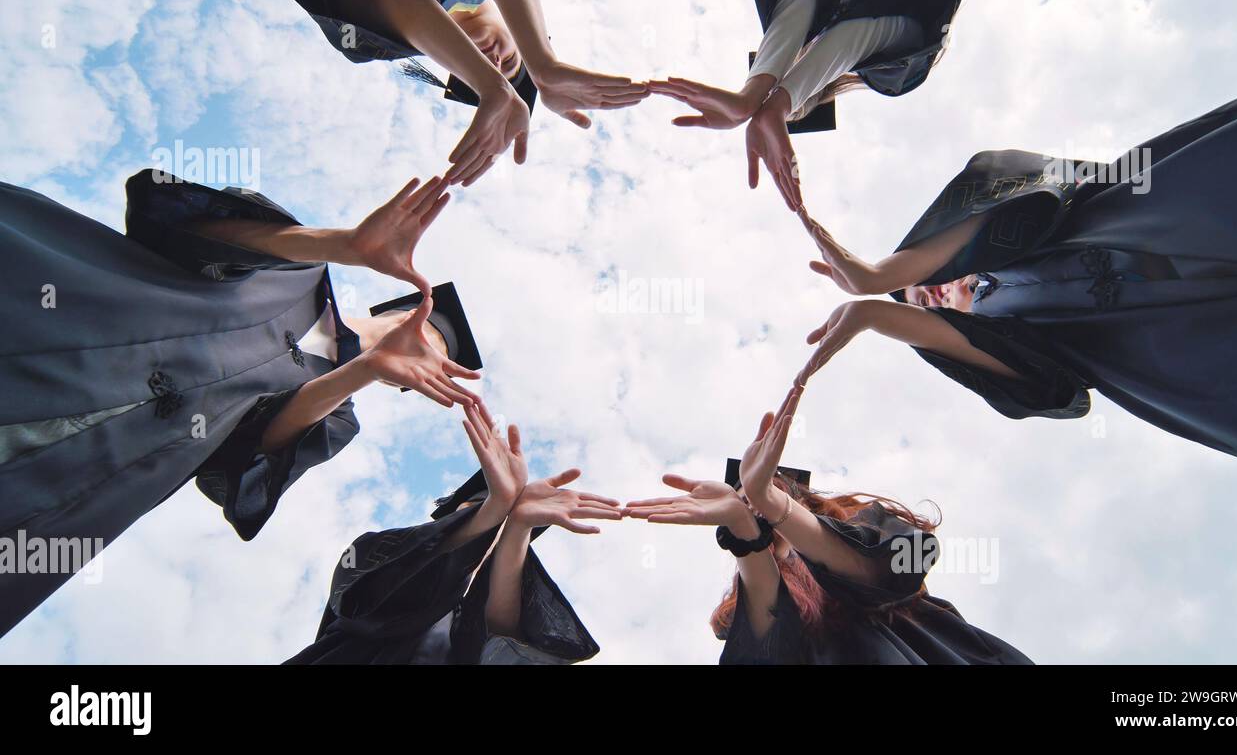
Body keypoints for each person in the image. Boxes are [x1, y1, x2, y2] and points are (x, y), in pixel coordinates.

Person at [0, 170, 480, 636]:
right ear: (403, 305)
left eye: (432, 361)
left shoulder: (336, 415)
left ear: (408, 385)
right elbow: (185, 230)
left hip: (89, 459)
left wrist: (364, 369)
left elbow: (250, 456)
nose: (420, 346)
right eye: (427, 329)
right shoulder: (299, 268)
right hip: (71, 316)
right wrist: (342, 245)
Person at [795, 74, 1237, 475]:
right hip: (1184, 344)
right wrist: (871, 315)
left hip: (1190, 218)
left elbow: (1005, 177)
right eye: (929, 304)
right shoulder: (1022, 340)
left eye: (924, 284)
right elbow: (1048, 392)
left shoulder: (1028, 221)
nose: (933, 292)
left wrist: (882, 274)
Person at [651, 0, 1071, 209]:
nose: (799, 61)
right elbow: (851, 41)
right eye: (804, 79)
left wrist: (759, 91)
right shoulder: (889, 63)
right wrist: (779, 100)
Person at [626, 385, 1031, 664]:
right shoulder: (740, 608)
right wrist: (743, 534)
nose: (754, 505)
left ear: (800, 498)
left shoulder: (861, 523)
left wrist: (770, 498)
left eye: (765, 493)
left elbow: (905, 561)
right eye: (746, 502)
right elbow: (767, 651)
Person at [252, 0, 649, 187]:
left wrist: (492, 87)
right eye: (509, 65)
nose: (494, 63)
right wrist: (542, 63)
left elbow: (393, 3)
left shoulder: (385, 36)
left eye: (483, 71)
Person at [287, 403, 618, 664]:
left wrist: (517, 528)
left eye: (500, 524)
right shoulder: (380, 550)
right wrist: (492, 508)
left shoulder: (494, 604)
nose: (494, 525)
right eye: (474, 508)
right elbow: (373, 599)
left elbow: (498, 638)